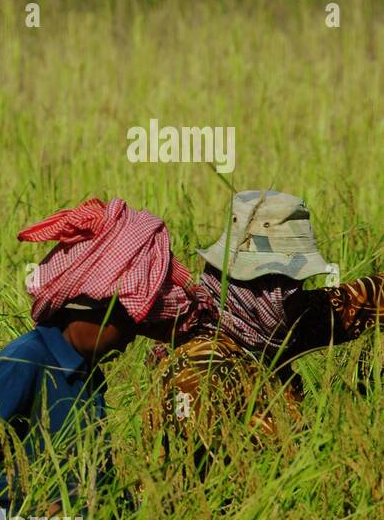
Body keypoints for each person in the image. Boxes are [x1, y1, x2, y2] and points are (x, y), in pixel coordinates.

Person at [0, 198, 193, 519]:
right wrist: (31, 507)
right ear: (84, 312)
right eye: (126, 325)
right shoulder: (26, 360)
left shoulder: (88, 372)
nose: (130, 338)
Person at [149, 190, 384, 448]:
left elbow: (361, 300)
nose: (300, 296)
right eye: (292, 286)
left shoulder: (264, 324)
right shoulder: (197, 371)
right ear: (263, 289)